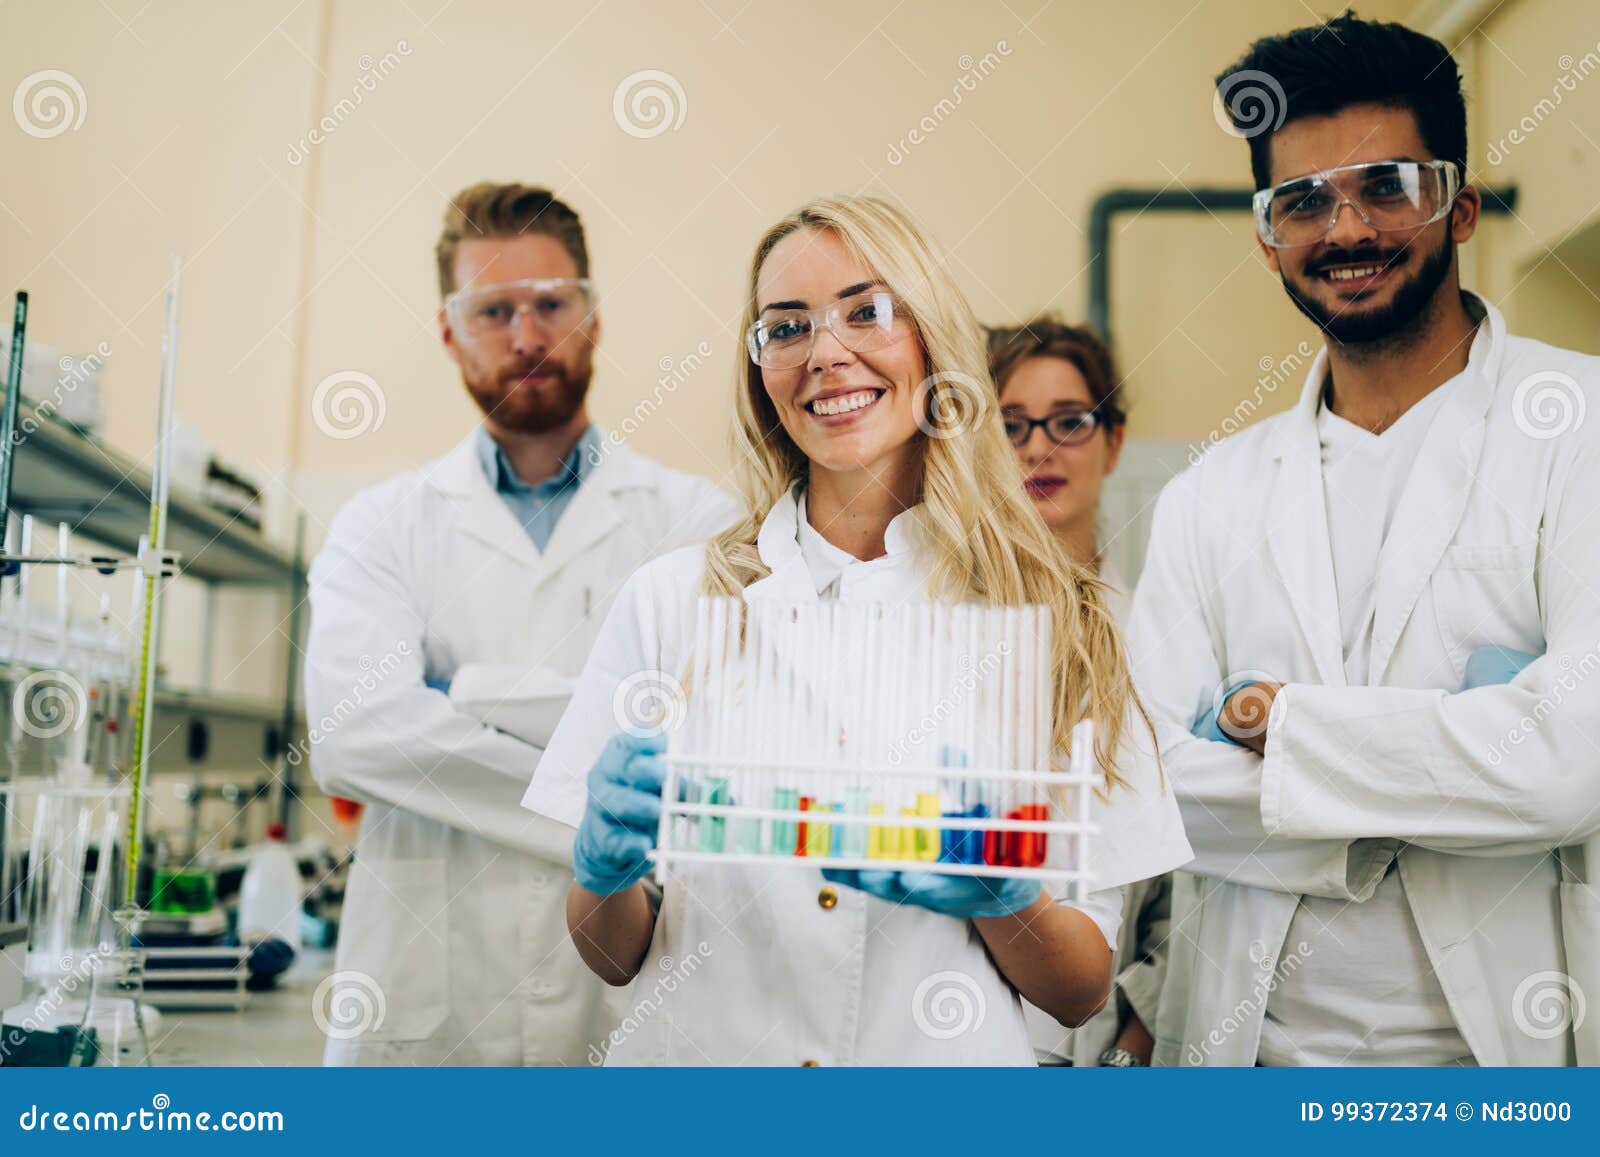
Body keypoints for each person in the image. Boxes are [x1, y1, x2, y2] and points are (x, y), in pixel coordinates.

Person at [520, 195, 1192, 1066]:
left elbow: (1080, 987)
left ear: (934, 342)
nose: (826, 354)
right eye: (786, 326)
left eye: (866, 311)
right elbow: (610, 956)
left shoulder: (1062, 623)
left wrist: (1002, 894)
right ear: (759, 366)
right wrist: (600, 872)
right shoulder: (671, 601)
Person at [1129, 14, 1600, 1066]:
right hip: (1248, 1063)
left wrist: (1283, 722)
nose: (1344, 229)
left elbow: (1573, 762)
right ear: (1266, 237)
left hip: (1504, 1069)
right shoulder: (1211, 494)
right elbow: (1150, 784)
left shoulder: (1580, 427)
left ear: (1459, 205)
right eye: (1302, 201)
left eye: (1385, 185)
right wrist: (1459, 742)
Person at [304, 182, 736, 1065]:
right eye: (494, 309)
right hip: (427, 1006)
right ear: (449, 329)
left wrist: (457, 695)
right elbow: (353, 735)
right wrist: (599, 794)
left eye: (551, 304)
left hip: (622, 995)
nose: (528, 336)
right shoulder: (382, 524)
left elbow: (715, 741)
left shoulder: (697, 522)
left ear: (594, 316)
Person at [989, 318, 1171, 1068]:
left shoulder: (1159, 634)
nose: (1039, 447)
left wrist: (1140, 1029)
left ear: (1114, 441)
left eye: (1069, 421)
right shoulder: (953, 628)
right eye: (1012, 425)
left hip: (1101, 1044)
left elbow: (1189, 878)